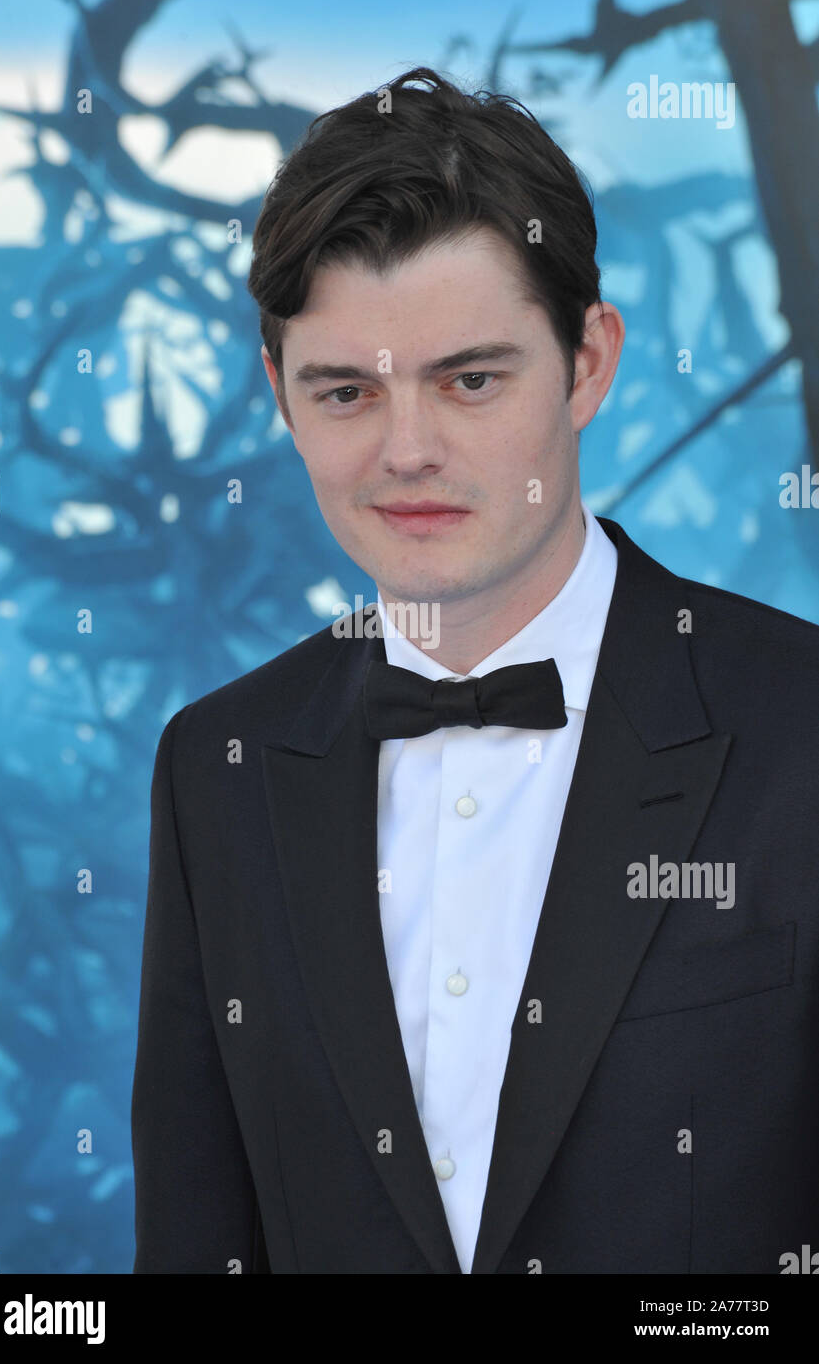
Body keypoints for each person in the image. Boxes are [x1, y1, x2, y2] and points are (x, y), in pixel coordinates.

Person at [131, 66, 819, 1274]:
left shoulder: (800, 723)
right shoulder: (215, 766)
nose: (406, 451)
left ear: (588, 361)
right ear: (281, 401)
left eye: (470, 378)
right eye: (345, 390)